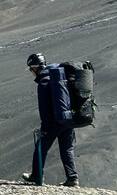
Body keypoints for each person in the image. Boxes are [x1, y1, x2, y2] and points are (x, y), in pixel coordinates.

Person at [23, 53, 79, 187]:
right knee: (67, 148)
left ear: (36, 68)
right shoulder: (61, 76)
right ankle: (72, 178)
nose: (31, 72)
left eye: (31, 69)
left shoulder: (44, 81)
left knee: (41, 146)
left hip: (54, 122)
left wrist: (45, 128)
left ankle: (37, 176)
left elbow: (44, 108)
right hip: (68, 118)